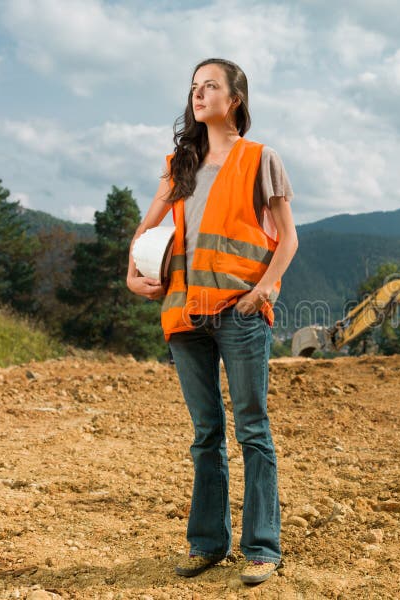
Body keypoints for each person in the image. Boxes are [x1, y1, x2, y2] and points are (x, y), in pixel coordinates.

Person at [126, 58, 298, 585]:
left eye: (211, 86)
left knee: (252, 430)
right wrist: (132, 275)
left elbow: (287, 238)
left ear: (235, 99)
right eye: (194, 88)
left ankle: (262, 547)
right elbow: (146, 229)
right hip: (183, 314)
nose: (199, 95)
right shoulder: (178, 162)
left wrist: (264, 290)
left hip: (239, 315)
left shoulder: (259, 158)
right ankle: (208, 544)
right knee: (206, 435)